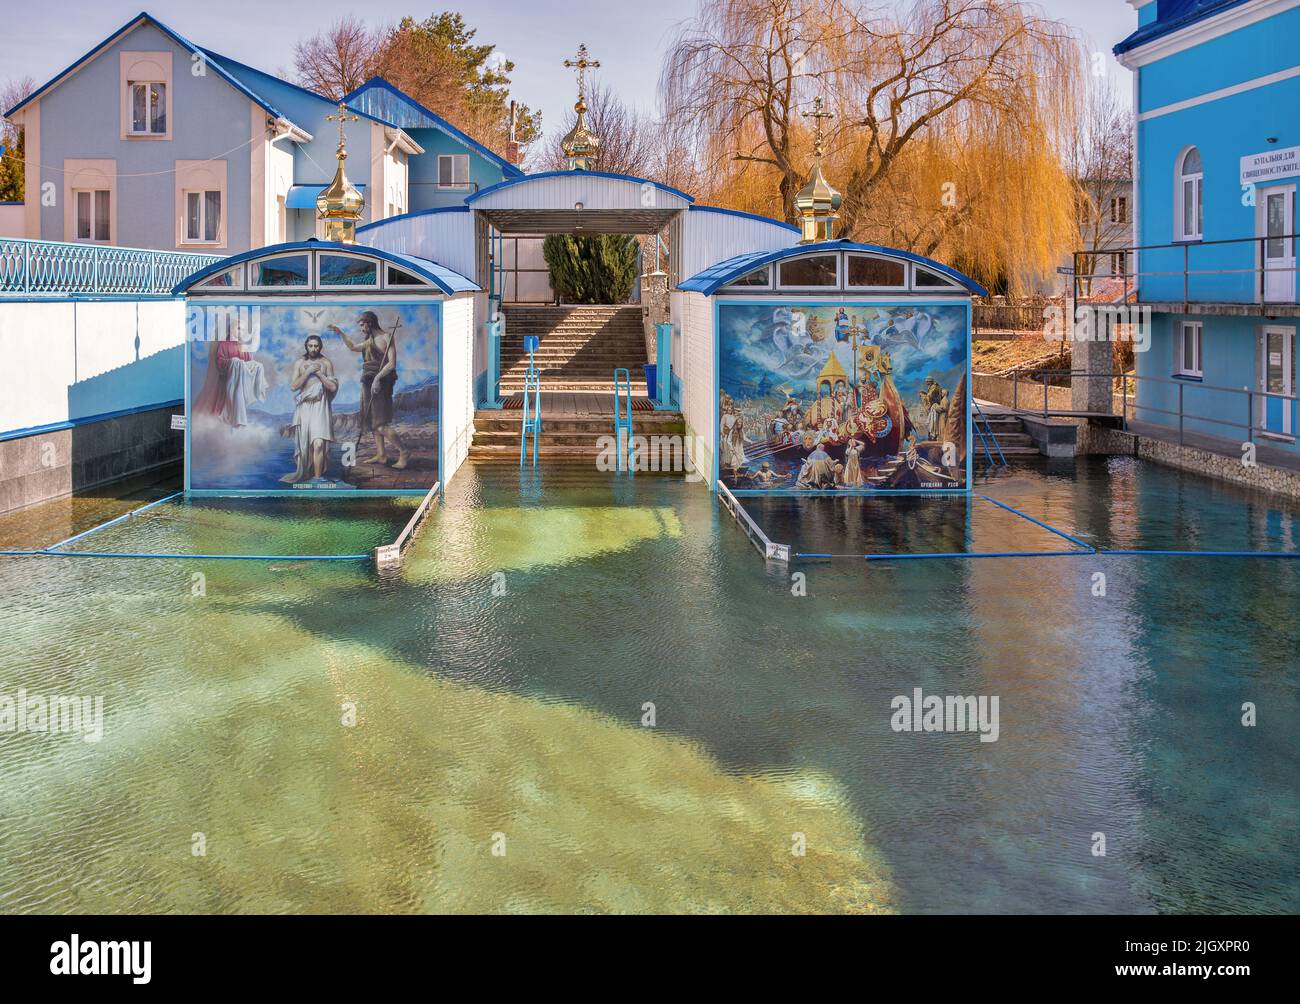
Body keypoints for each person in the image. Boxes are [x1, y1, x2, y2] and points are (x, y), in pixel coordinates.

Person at [330, 311, 408, 470]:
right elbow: (352, 347)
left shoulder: (387, 337)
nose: (361, 329)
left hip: (382, 382)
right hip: (367, 381)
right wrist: (341, 333)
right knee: (373, 422)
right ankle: (381, 454)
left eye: (362, 325)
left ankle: (404, 452)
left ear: (369, 323)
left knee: (380, 423)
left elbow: (391, 364)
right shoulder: (368, 342)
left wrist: (378, 379)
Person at [281, 335, 337, 484]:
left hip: (320, 406)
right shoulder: (300, 363)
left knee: (318, 443)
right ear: (306, 346)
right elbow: (293, 387)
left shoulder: (326, 363)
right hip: (304, 407)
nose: (313, 349)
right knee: (306, 446)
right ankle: (308, 473)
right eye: (310, 346)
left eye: (316, 346)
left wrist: (318, 373)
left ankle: (318, 479)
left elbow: (333, 387)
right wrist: (307, 372)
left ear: (320, 347)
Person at [194, 316, 267, 428]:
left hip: (241, 382)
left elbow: (249, 363)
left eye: (243, 329)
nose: (241, 331)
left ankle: (238, 422)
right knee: (230, 406)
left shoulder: (243, 346)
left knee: (258, 365)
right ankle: (235, 422)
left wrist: (254, 366)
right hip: (228, 381)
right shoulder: (224, 344)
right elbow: (220, 363)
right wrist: (234, 362)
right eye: (238, 328)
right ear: (231, 328)